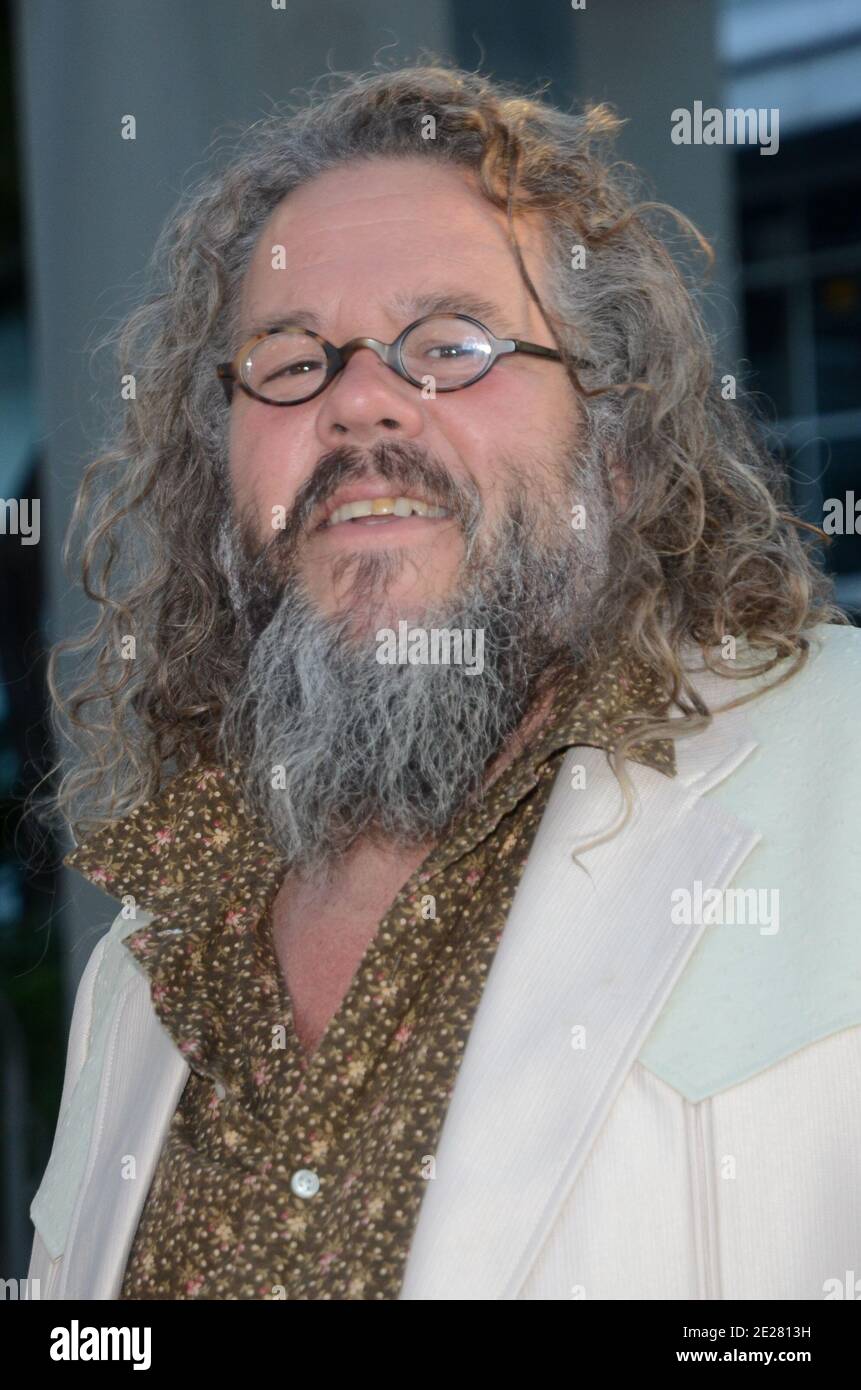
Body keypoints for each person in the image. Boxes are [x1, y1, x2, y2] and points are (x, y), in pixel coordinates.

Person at [27, 62, 861, 1301]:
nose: (360, 400)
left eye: (450, 346)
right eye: (290, 361)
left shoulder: (840, 788)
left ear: (617, 454)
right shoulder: (142, 963)